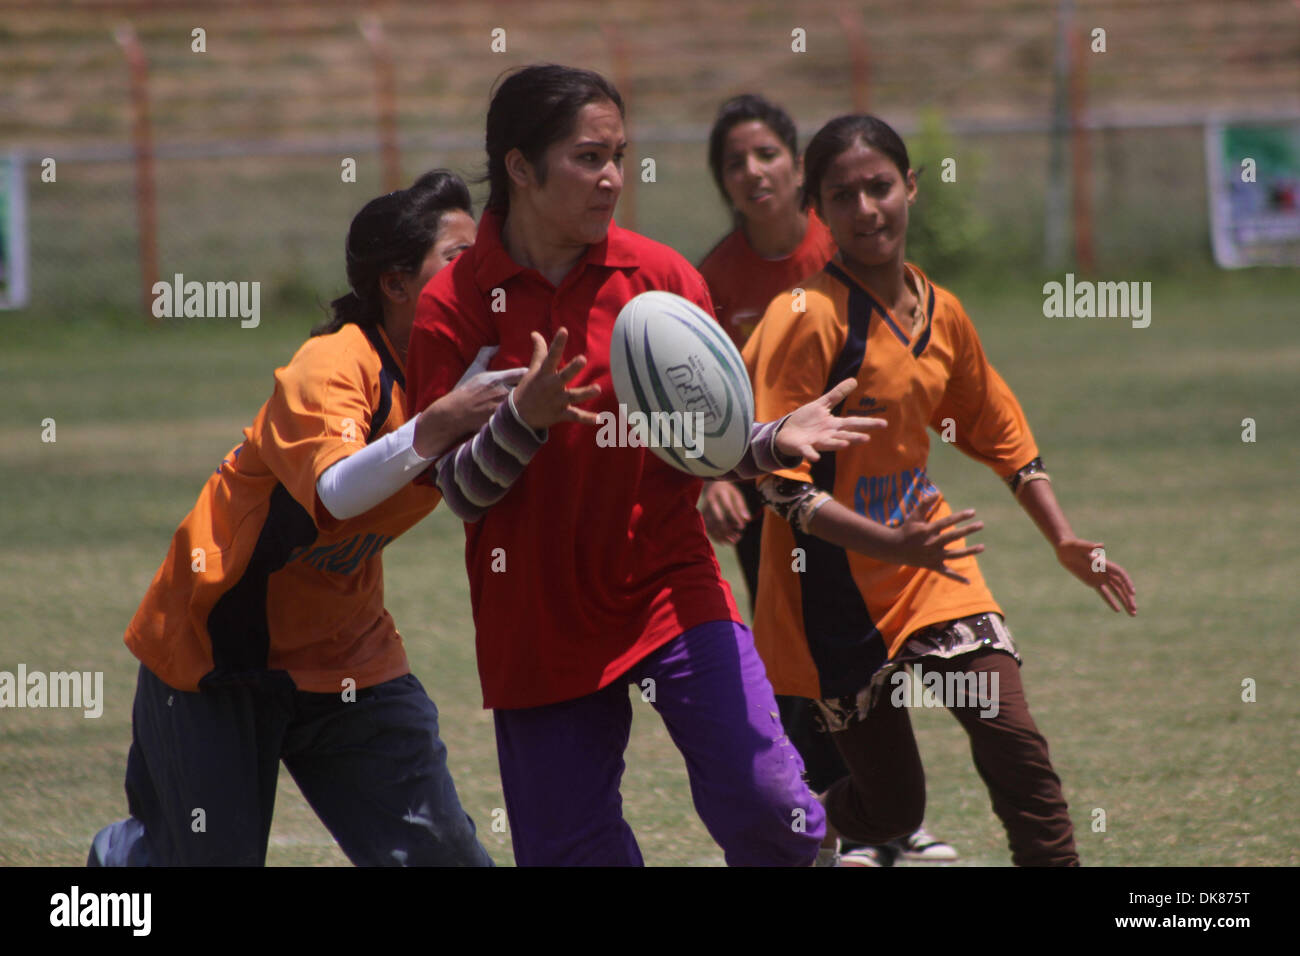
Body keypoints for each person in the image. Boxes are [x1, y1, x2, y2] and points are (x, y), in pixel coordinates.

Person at [405, 65, 881, 867]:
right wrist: (524, 421)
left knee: (771, 808)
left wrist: (769, 439)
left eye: (620, 155)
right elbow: (457, 490)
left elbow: (710, 440)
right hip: (537, 615)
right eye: (589, 158)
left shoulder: (658, 282)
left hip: (668, 585)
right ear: (520, 168)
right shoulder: (454, 305)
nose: (613, 178)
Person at [88, 171, 521, 866]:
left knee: (441, 855)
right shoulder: (333, 365)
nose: (477, 279)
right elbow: (341, 492)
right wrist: (435, 428)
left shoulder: (466, 370)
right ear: (397, 283)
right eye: (457, 261)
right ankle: (123, 860)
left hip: (349, 658)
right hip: (216, 656)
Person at [742, 114, 1138, 866]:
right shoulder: (805, 318)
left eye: (880, 187)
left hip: (933, 569)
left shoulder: (942, 310)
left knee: (1015, 745)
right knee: (893, 806)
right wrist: (890, 541)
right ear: (817, 212)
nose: (866, 210)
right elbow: (780, 488)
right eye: (843, 195)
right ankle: (797, 830)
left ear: (911, 187)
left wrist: (1062, 538)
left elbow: (999, 430)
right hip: (831, 593)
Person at [697, 93, 956, 867]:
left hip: (867, 491)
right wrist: (708, 480)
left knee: (879, 650)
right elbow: (702, 401)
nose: (752, 172)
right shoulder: (715, 276)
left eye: (766, 154)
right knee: (804, 661)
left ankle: (888, 815)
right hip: (772, 494)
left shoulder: (845, 241)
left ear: (797, 166)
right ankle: (839, 818)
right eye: (734, 162)